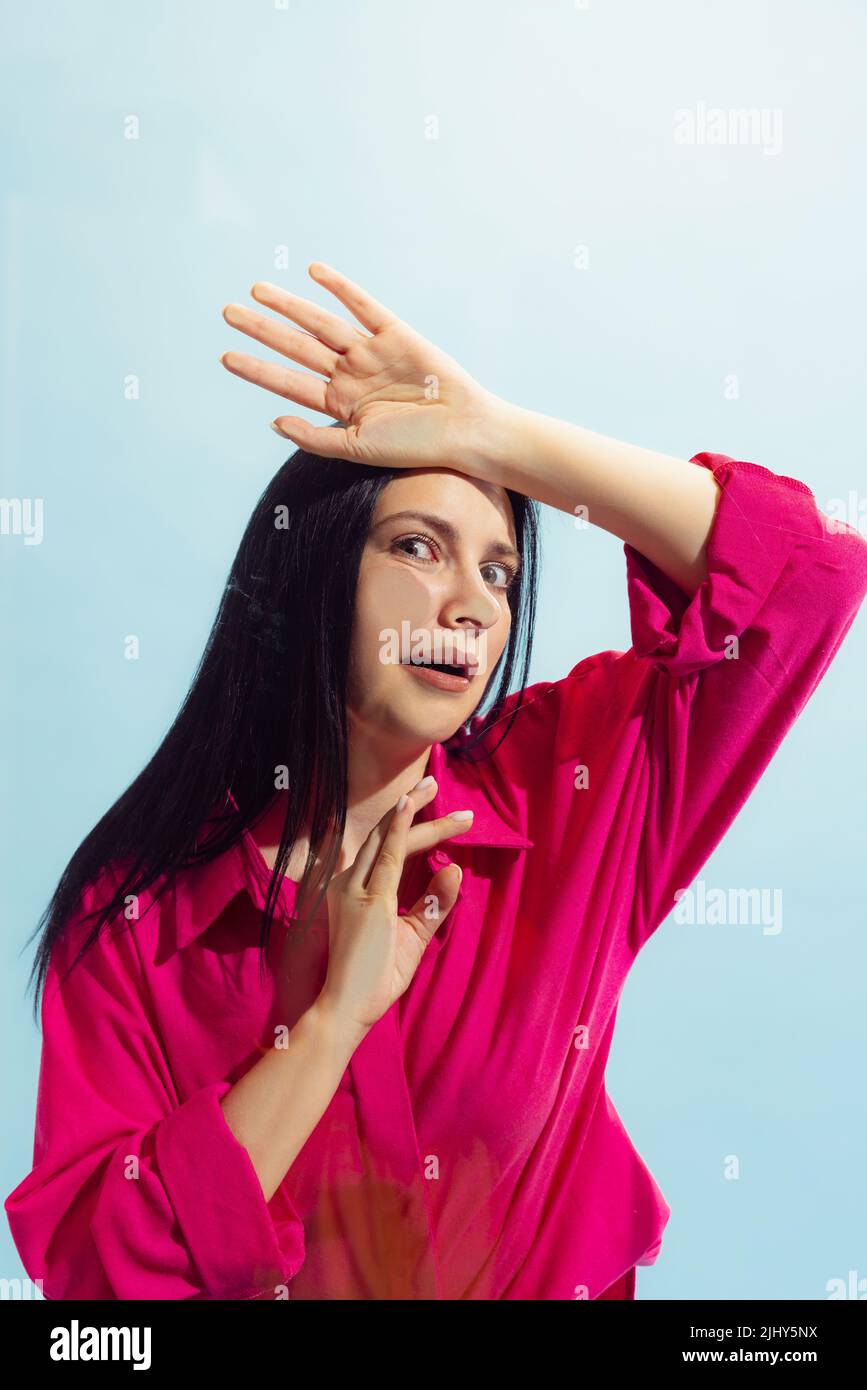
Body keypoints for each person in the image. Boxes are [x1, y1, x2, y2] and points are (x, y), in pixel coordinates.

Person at [6, 263, 866, 1300]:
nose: (470, 604)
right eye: (419, 547)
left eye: (499, 573)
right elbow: (103, 1295)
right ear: (318, 571)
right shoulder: (137, 922)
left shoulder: (571, 790)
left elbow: (806, 570)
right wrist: (330, 1023)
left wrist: (489, 435)